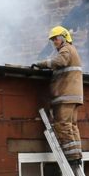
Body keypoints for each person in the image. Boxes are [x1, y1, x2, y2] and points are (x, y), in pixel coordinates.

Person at [32, 26, 83, 165]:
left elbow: (60, 61)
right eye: (52, 40)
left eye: (56, 39)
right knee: (72, 126)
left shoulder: (66, 49)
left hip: (66, 95)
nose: (54, 42)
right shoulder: (73, 51)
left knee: (62, 125)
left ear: (64, 37)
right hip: (74, 96)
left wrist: (41, 64)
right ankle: (77, 155)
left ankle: (71, 158)